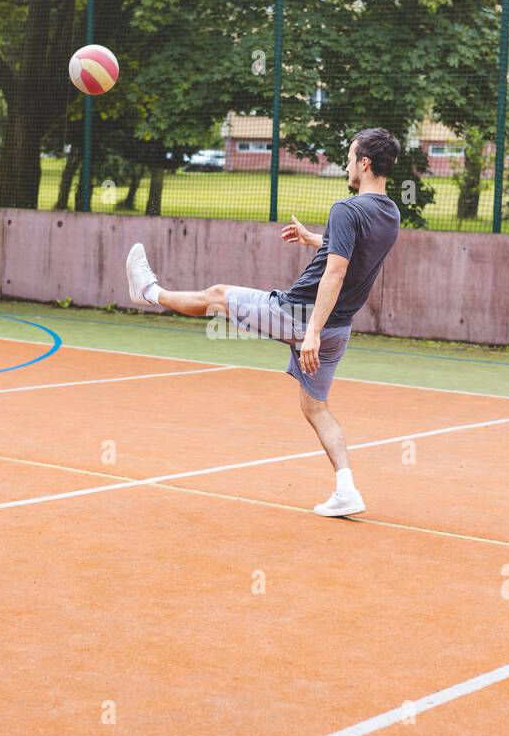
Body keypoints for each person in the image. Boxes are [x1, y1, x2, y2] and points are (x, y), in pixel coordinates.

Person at [123, 128, 403, 517]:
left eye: (350, 156)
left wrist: (312, 334)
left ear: (365, 163)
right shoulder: (390, 212)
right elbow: (355, 250)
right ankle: (346, 489)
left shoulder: (348, 208)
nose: (347, 163)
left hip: (303, 317)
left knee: (217, 296)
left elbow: (336, 274)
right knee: (316, 407)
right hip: (340, 329)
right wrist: (314, 240)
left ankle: (149, 292)